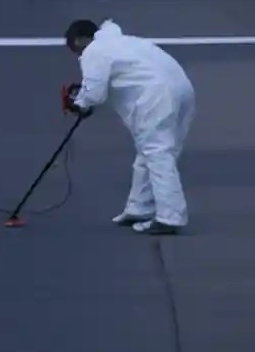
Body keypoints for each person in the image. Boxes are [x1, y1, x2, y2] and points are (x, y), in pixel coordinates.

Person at [64, 19, 196, 235]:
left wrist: (79, 104)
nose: (77, 54)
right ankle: (139, 207)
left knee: (157, 153)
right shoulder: (127, 42)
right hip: (182, 88)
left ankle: (170, 217)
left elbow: (95, 93)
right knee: (151, 152)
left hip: (157, 95)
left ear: (79, 40)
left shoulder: (94, 50)